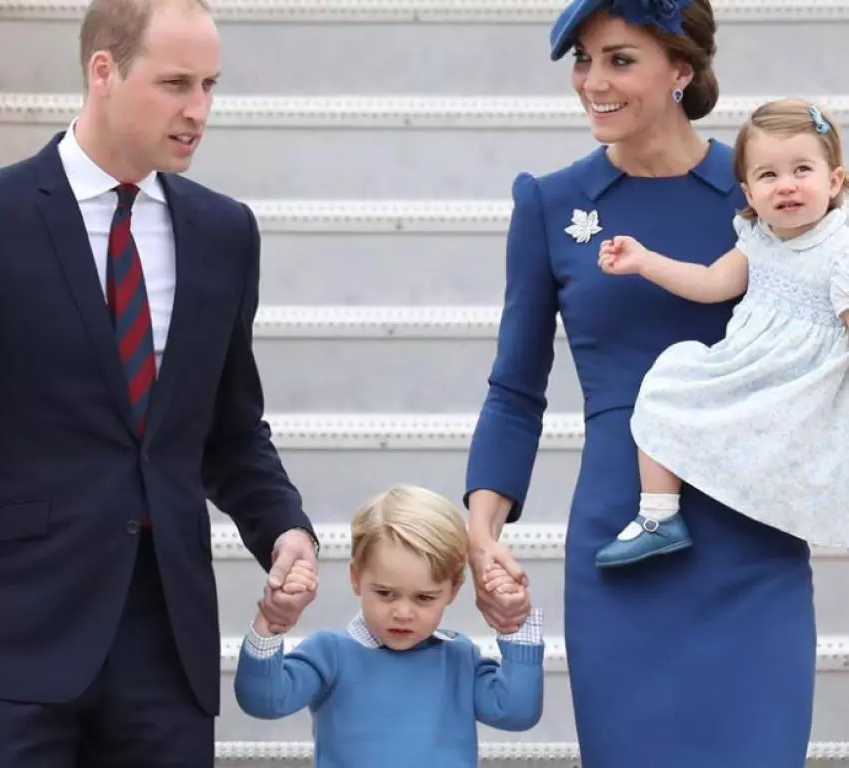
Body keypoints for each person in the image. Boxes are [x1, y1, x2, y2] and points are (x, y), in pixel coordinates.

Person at [0, 0, 319, 764]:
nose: (198, 110)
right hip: (11, 643)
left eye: (210, 85)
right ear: (103, 71)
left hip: (166, 649)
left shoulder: (225, 231)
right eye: (176, 83)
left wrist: (286, 531)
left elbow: (231, 430)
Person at [463, 0, 816, 765]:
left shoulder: (771, 187)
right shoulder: (551, 204)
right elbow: (516, 389)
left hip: (754, 541)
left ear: (680, 70)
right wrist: (483, 527)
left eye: (619, 59)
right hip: (623, 547)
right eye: (583, 61)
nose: (593, 81)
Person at [596, 98, 849, 567]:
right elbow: (713, 283)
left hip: (803, 388)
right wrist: (644, 261)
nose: (786, 186)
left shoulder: (841, 246)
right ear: (749, 194)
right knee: (670, 378)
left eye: (801, 170)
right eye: (768, 176)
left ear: (833, 181)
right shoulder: (759, 238)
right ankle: (658, 516)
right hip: (747, 372)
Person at [233, 485, 545, 768]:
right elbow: (264, 701)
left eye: (424, 597)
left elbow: (516, 712)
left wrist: (514, 625)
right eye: (385, 593)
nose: (403, 612)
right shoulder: (329, 654)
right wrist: (271, 625)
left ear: (454, 589)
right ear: (356, 578)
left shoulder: (459, 658)